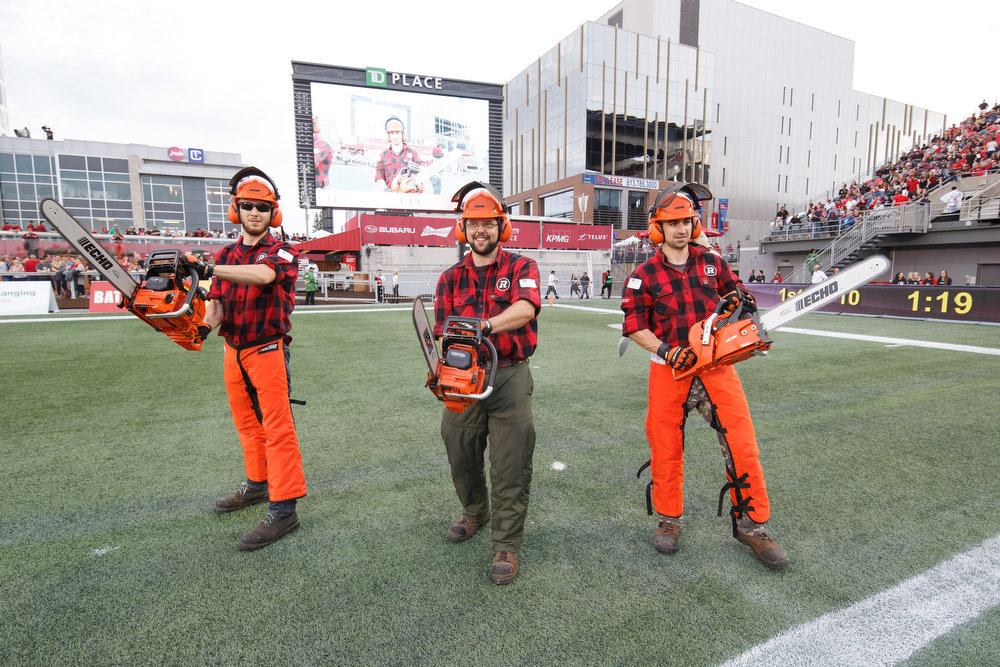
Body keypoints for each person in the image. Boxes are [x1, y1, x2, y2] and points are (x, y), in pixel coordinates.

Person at [620, 182, 788, 570]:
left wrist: (742, 307)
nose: (682, 229)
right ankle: (668, 520)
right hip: (670, 370)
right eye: (674, 222)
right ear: (658, 227)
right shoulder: (642, 275)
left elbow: (737, 297)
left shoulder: (713, 261)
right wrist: (666, 350)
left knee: (743, 445)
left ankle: (753, 526)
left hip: (716, 368)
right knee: (665, 447)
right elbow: (634, 326)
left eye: (687, 221)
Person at [192, 166, 307, 552]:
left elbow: (261, 276)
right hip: (233, 350)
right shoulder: (225, 253)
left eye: (262, 206)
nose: (254, 212)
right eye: (247, 206)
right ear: (235, 209)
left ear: (273, 213)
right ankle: (257, 485)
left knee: (278, 429)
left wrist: (208, 269)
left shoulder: (284, 250)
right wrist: (199, 330)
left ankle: (285, 508)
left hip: (268, 349)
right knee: (246, 424)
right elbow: (217, 307)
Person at [433, 181, 541, 585]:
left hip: (509, 373)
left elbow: (527, 308)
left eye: (488, 224)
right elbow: (443, 329)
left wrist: (485, 326)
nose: (481, 231)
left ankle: (506, 545)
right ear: (464, 229)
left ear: (502, 227)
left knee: (511, 461)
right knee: (458, 446)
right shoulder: (448, 279)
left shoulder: (521, 267)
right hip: (464, 376)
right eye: (473, 224)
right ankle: (475, 511)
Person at [374, 116, 424, 193]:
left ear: (402, 134)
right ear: (389, 135)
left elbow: (422, 170)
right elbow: (379, 176)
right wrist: (386, 190)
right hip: (391, 196)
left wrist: (418, 182)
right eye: (392, 133)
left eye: (397, 133)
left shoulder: (413, 153)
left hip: (410, 195)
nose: (395, 136)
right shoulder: (382, 156)